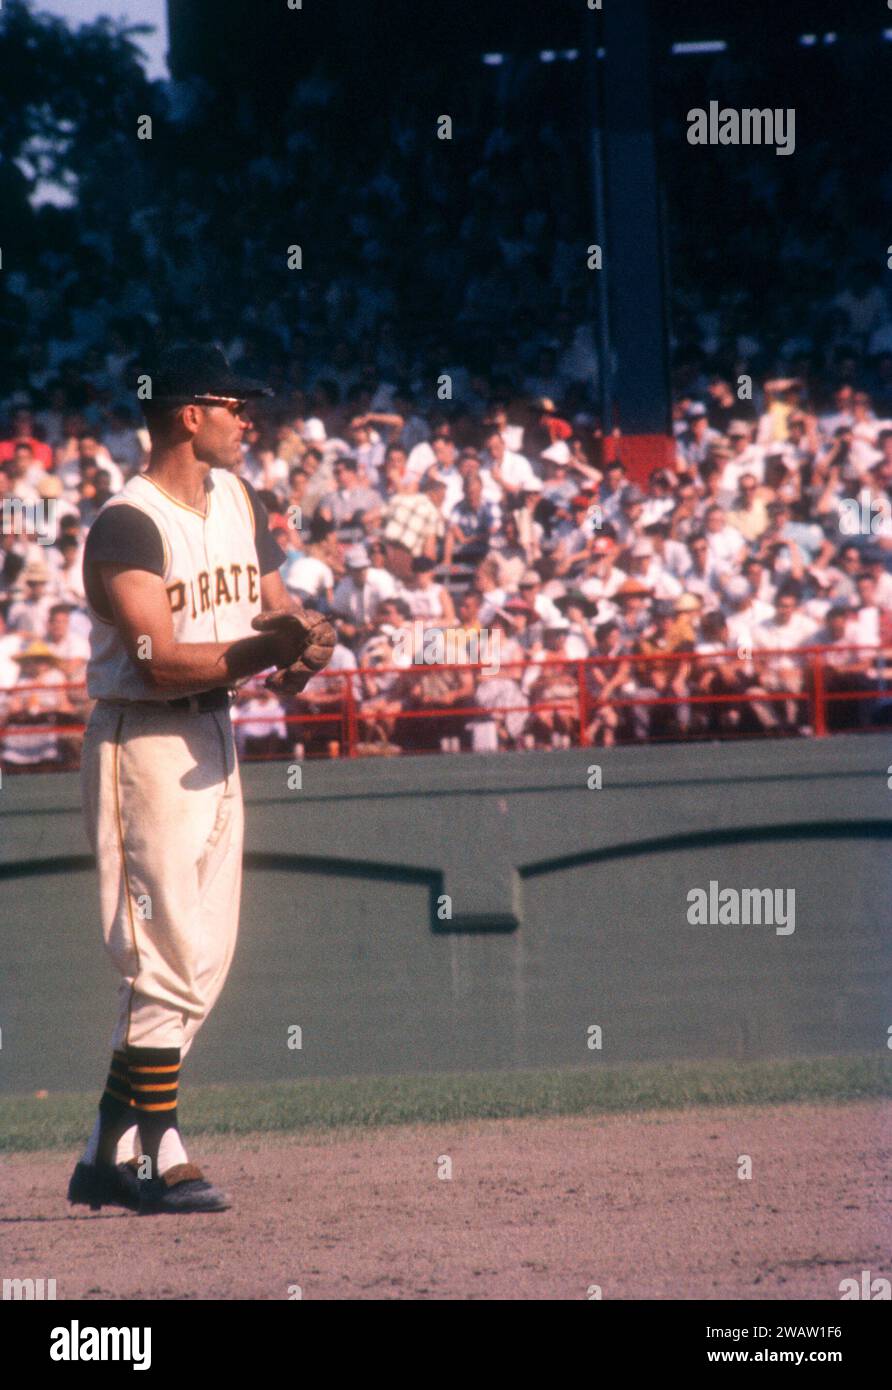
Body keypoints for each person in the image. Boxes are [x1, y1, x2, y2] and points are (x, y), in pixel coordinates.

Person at [68, 344, 335, 1217]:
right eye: (235, 403)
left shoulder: (235, 497)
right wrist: (270, 650)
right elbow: (157, 661)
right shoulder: (128, 522)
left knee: (201, 958)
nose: (249, 417)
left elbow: (268, 607)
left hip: (214, 737)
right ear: (190, 413)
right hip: (141, 741)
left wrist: (301, 643)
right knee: (166, 955)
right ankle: (158, 1152)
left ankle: (104, 1152)